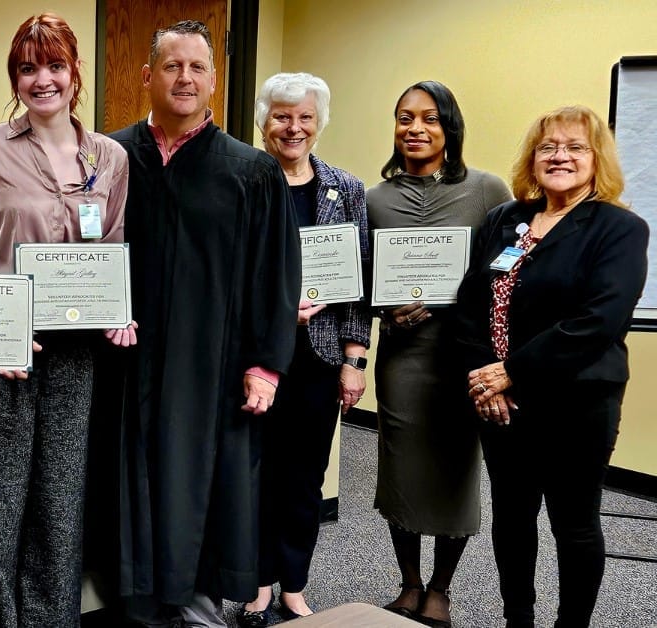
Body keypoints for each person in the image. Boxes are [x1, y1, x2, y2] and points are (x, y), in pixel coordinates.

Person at [109, 20, 300, 628]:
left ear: (215, 82)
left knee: (203, 480)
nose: (184, 78)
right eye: (171, 66)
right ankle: (132, 597)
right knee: (129, 476)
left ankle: (198, 606)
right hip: (124, 357)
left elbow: (277, 273)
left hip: (211, 361)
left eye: (197, 68)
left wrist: (267, 365)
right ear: (147, 76)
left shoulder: (250, 170)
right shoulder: (109, 157)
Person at [0, 13, 133, 628]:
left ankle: (51, 620)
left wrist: (120, 311)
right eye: (28, 68)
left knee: (60, 502)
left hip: (77, 352)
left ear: (75, 72)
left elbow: (112, 245)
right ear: (16, 78)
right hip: (5, 350)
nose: (42, 79)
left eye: (55, 66)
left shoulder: (109, 156)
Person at [453, 105, 647, 628]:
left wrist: (510, 371)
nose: (559, 156)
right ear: (533, 159)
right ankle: (518, 619)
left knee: (573, 523)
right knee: (513, 520)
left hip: (576, 402)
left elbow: (599, 321)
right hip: (501, 404)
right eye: (548, 147)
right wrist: (485, 378)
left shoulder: (619, 229)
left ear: (596, 159)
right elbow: (472, 302)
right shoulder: (506, 219)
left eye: (574, 147)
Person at [367, 81, 512, 627]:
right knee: (400, 469)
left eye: (429, 118)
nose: (415, 128)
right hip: (403, 358)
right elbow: (362, 280)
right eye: (405, 117)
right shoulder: (373, 198)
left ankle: (441, 588)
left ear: (449, 126)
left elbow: (509, 267)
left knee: (456, 470)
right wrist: (385, 311)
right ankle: (407, 583)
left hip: (464, 357)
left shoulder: (486, 190)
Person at [238, 72, 370, 627]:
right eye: (282, 116)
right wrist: (270, 303)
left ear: (319, 123)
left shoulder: (347, 189)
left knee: (304, 477)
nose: (293, 128)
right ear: (264, 121)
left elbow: (357, 285)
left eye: (305, 117)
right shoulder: (242, 182)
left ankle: (293, 584)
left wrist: (354, 360)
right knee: (253, 475)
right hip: (253, 360)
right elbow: (225, 275)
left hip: (317, 360)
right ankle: (257, 584)